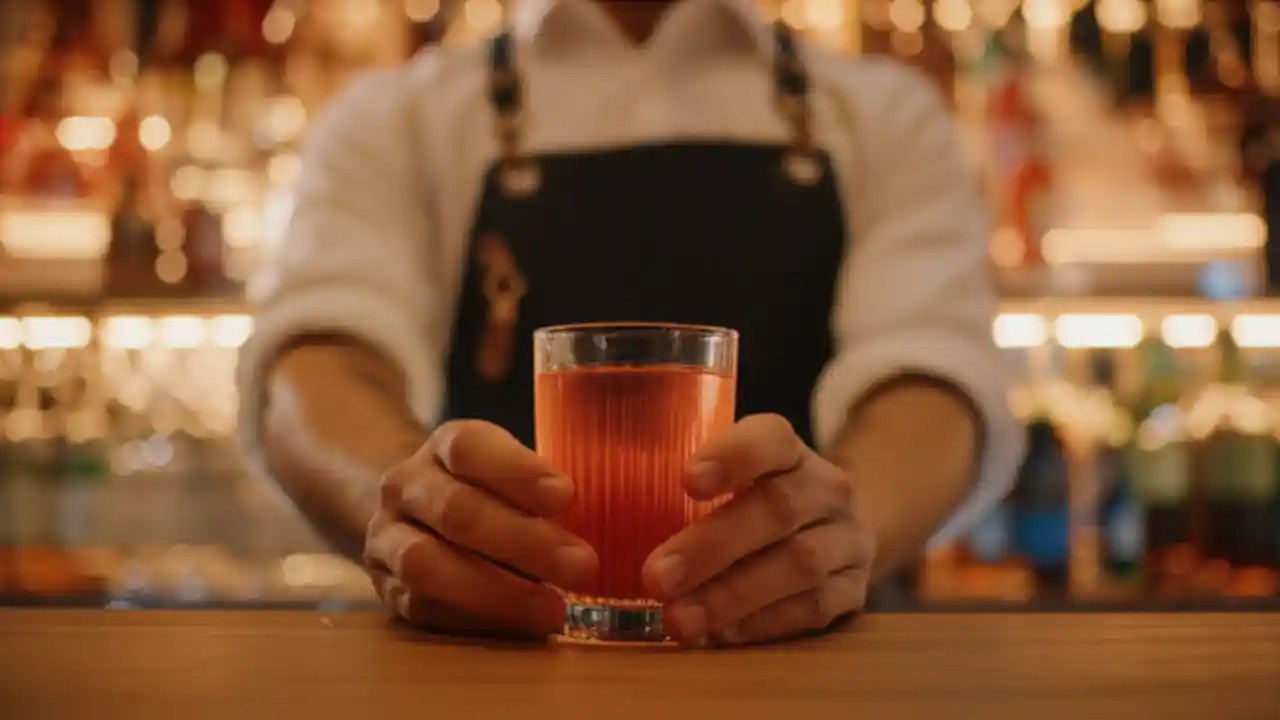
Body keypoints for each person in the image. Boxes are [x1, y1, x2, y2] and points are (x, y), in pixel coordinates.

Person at [241, 0, 1023, 645]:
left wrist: (841, 535)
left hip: (801, 663)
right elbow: (318, 359)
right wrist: (411, 507)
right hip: (498, 669)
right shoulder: (393, 118)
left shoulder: (887, 114)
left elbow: (934, 372)